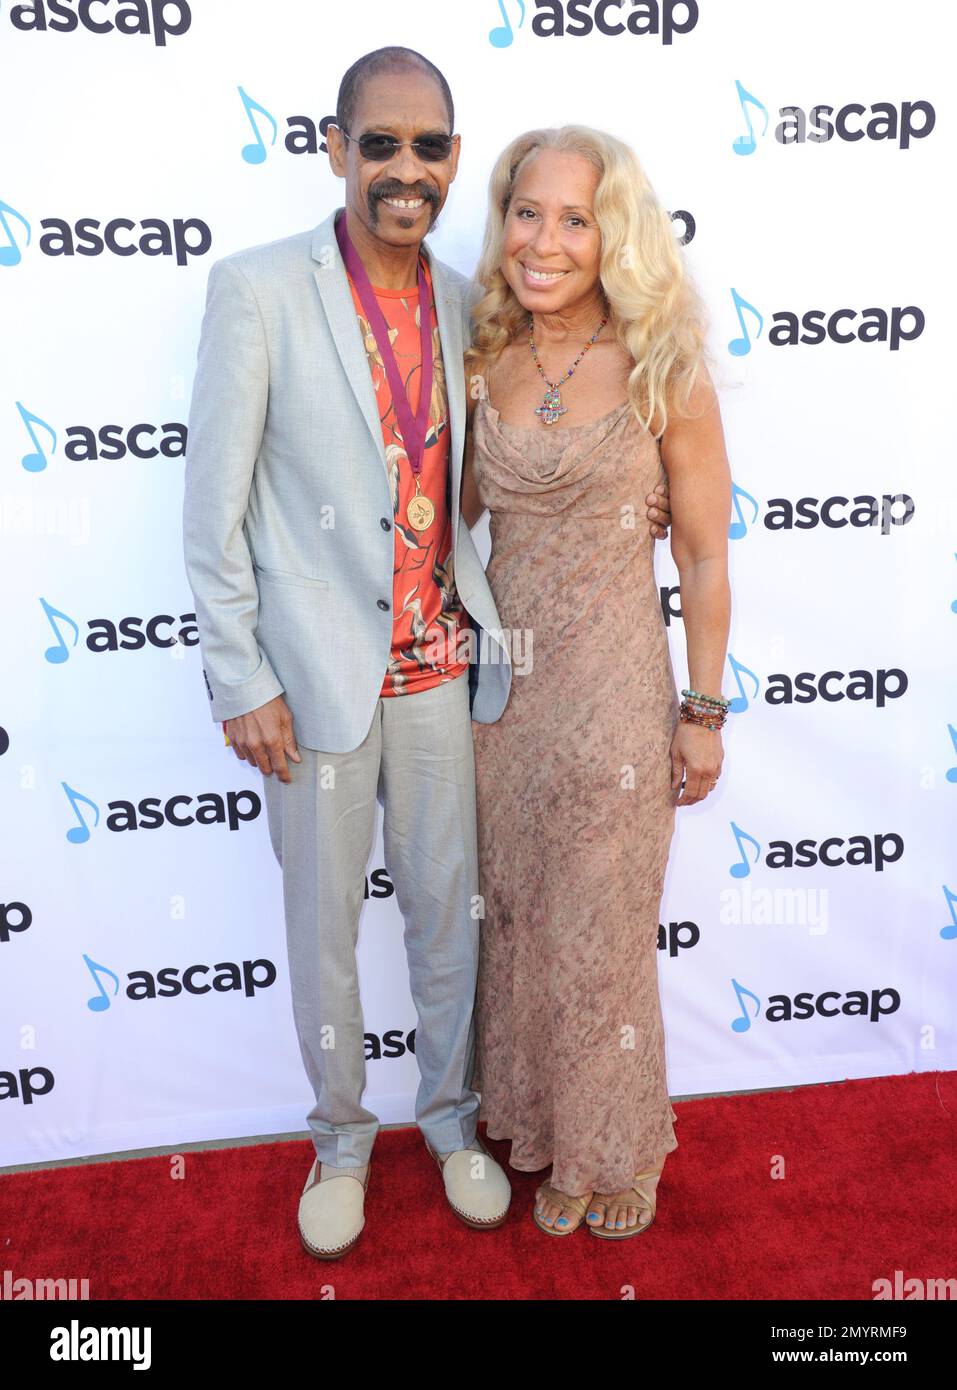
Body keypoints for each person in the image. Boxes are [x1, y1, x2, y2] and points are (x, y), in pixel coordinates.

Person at [183, 49, 674, 1260]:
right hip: (313, 684)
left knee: (450, 926)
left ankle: (452, 1120)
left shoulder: (471, 302)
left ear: (455, 161)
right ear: (337, 148)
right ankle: (340, 1139)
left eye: (432, 146)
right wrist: (242, 678)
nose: (409, 169)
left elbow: (506, 466)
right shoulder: (256, 291)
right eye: (384, 142)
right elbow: (213, 508)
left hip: (447, 677)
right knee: (325, 925)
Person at [461, 124, 731, 1239]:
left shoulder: (664, 364)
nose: (547, 240)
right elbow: (446, 528)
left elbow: (707, 551)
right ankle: (534, 1127)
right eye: (529, 211)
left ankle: (609, 1148)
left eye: (577, 218)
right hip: (498, 706)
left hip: (619, 698)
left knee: (603, 931)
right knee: (518, 919)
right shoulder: (476, 358)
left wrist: (703, 709)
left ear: (614, 235)